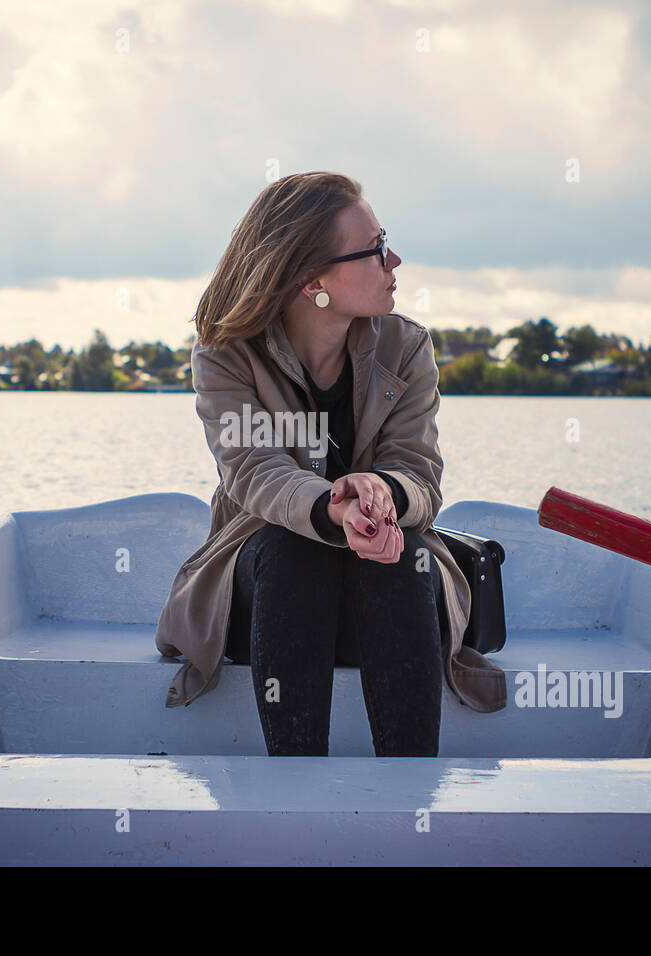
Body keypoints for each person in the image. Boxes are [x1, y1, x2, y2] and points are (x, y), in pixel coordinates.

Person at [153, 171, 507, 757]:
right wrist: (331, 509)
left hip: (388, 596)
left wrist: (380, 497)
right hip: (267, 600)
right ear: (311, 279)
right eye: (373, 250)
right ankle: (294, 797)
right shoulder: (226, 352)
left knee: (405, 556)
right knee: (294, 548)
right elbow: (253, 470)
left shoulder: (406, 347)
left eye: (385, 239)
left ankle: (409, 796)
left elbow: (419, 473)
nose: (394, 258)